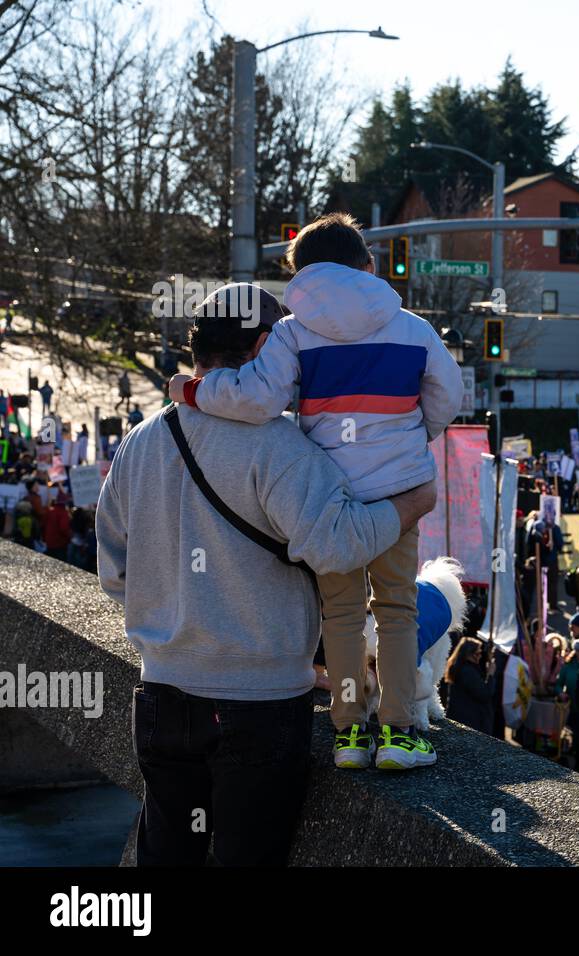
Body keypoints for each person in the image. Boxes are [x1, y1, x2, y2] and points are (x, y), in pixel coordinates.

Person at [95, 283, 437, 866]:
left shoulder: (141, 442)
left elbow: (115, 572)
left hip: (161, 694)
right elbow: (339, 545)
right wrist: (415, 501)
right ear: (262, 349)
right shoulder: (279, 445)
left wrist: (178, 623)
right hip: (258, 705)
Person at [168, 214, 463, 772]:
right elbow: (447, 396)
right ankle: (399, 733)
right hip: (398, 489)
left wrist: (194, 390)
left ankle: (348, 733)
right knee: (397, 609)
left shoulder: (291, 333)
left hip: (329, 489)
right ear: (368, 267)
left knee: (342, 613)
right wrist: (407, 438)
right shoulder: (414, 329)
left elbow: (257, 400)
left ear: (298, 273)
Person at [444, 636, 494, 734]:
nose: (480, 656)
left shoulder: (462, 667)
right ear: (469, 654)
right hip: (468, 721)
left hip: (464, 719)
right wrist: (491, 675)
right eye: (478, 653)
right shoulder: (467, 671)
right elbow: (485, 694)